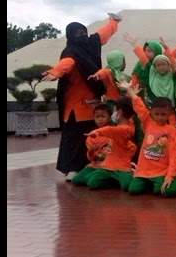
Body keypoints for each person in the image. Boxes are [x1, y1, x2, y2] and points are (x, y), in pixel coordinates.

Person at [41, 13, 122, 181]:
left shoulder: (92, 44)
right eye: (78, 34)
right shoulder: (71, 52)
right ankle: (72, 169)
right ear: (70, 36)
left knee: (94, 136)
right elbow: (67, 63)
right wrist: (56, 72)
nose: (82, 36)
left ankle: (92, 166)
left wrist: (113, 22)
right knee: (74, 139)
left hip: (92, 105)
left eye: (84, 32)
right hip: (75, 106)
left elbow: (103, 33)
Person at [121, 85, 176, 197]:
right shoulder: (148, 123)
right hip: (143, 171)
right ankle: (145, 183)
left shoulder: (172, 130)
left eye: (163, 114)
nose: (160, 117)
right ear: (151, 112)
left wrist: (170, 175)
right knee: (133, 190)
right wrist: (130, 91)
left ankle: (152, 184)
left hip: (160, 171)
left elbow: (174, 155)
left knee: (159, 191)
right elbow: (140, 107)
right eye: (156, 114)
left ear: (170, 113)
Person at [73, 98, 138, 190]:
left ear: (120, 112)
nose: (100, 119)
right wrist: (92, 151)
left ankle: (125, 176)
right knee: (88, 182)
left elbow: (111, 131)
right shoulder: (112, 130)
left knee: (126, 185)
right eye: (97, 117)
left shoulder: (124, 129)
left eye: (103, 116)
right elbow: (91, 157)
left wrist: (124, 157)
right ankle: (113, 180)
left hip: (120, 166)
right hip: (102, 165)